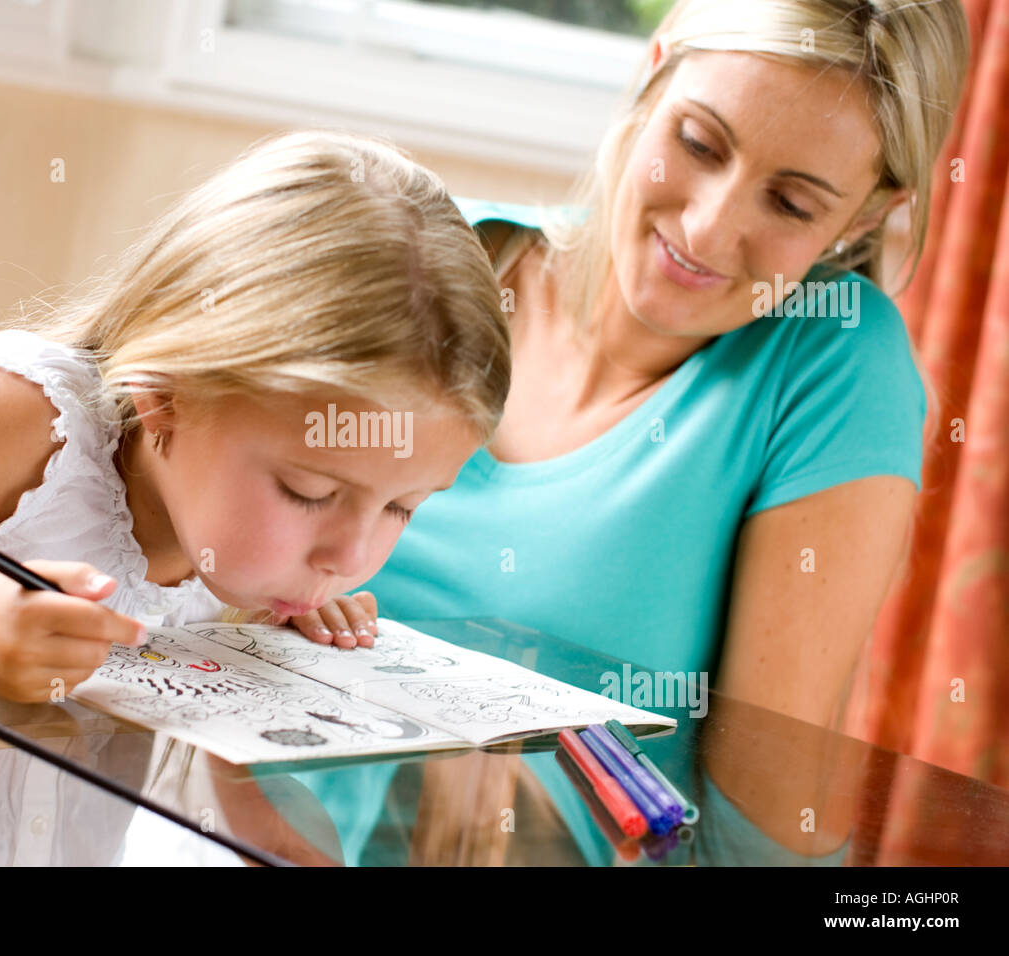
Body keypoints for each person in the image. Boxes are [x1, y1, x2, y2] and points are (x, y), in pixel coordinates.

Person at [275, 0, 971, 865]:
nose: (709, 228)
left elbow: (762, 830)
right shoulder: (426, 254)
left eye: (791, 202)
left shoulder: (834, 362)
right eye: (700, 144)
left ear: (862, 221)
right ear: (655, 71)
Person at [0, 128, 510, 866]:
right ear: (166, 400)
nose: (355, 555)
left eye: (405, 507)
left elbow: (214, 795)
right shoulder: (26, 425)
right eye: (310, 491)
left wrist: (268, 655)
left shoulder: (232, 545)